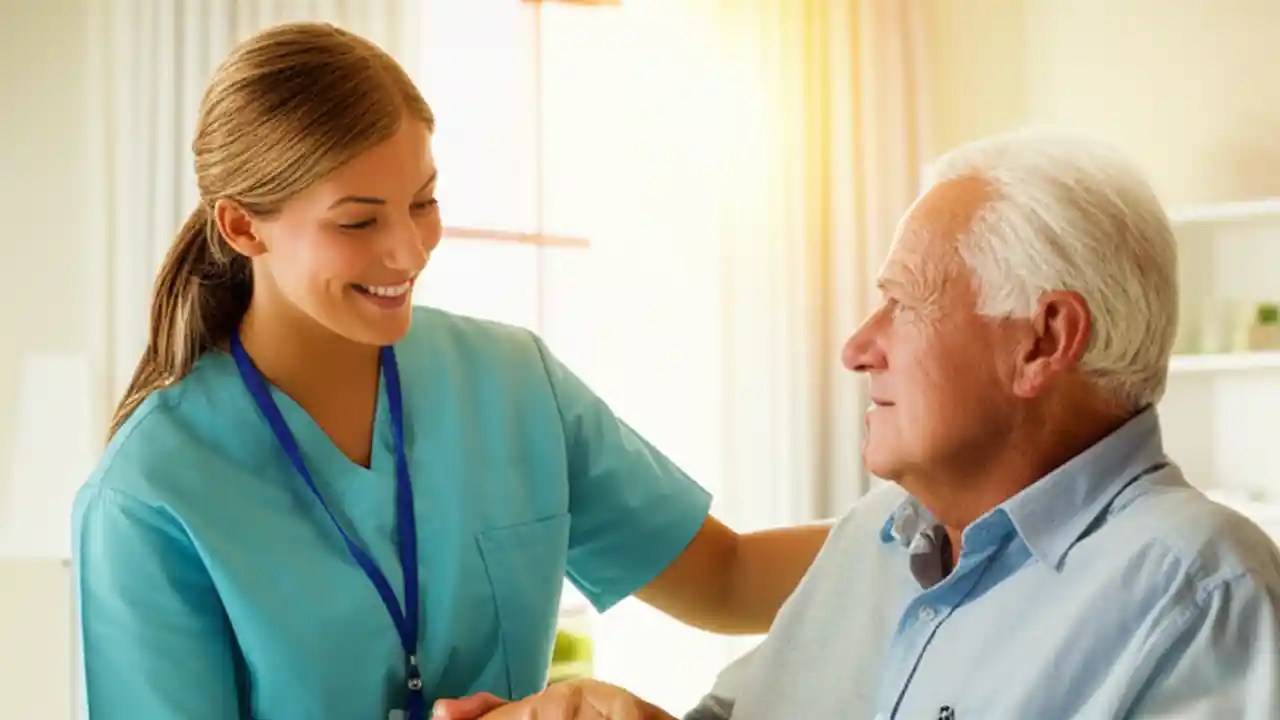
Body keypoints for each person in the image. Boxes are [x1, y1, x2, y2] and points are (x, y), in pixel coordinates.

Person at [71, 22, 830, 720]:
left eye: (424, 202)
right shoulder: (148, 495)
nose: (409, 251)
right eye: (359, 221)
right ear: (242, 226)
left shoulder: (512, 384)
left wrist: (901, 526)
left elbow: (726, 577)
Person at [442, 131, 1280, 719]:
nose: (855, 348)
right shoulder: (873, 540)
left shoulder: (1203, 592)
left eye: (904, 303)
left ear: (1042, 341)